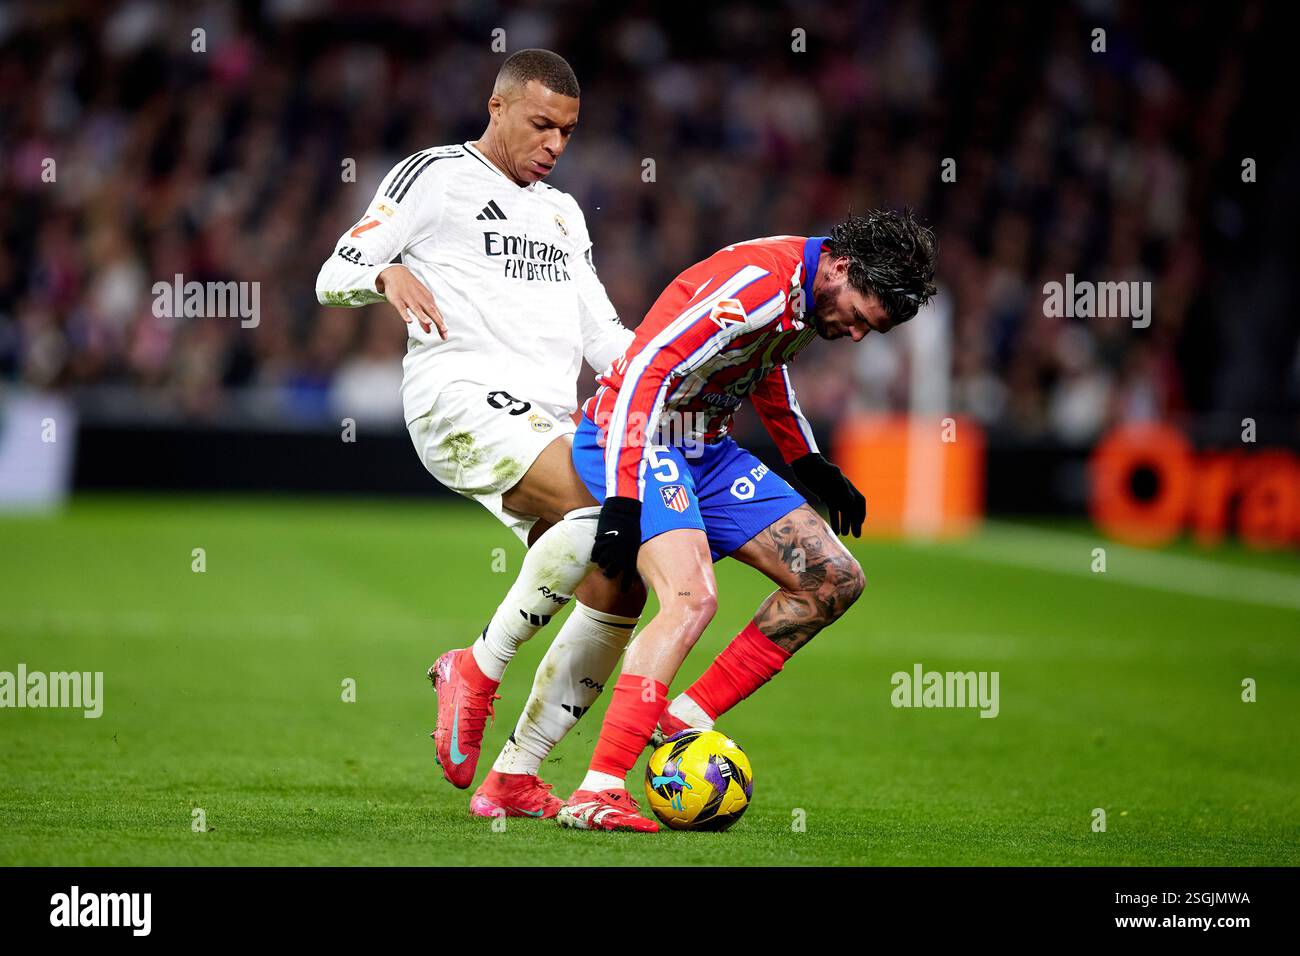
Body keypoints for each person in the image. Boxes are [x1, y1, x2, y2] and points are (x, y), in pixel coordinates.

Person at [316, 49, 646, 820]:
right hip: (457, 399)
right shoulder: (434, 176)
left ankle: (517, 773)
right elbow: (337, 270)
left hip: (545, 420)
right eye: (541, 125)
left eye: (567, 131)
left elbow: (601, 334)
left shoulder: (562, 213)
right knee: (607, 503)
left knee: (620, 568)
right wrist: (385, 275)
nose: (555, 145)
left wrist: (673, 367)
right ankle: (477, 666)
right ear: (496, 109)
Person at [555, 214, 938, 831]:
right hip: (639, 434)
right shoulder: (757, 284)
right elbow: (643, 371)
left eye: (874, 329)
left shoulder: (811, 298)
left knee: (833, 579)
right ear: (840, 267)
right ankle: (597, 790)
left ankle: (681, 721)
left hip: (705, 447)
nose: (859, 335)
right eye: (862, 317)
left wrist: (806, 457)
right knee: (691, 601)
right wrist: (625, 497)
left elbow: (767, 364)